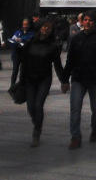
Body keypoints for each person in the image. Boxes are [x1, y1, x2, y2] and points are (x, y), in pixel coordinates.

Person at [64, 13, 96, 148]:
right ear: (82, 21)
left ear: (95, 23)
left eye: (90, 20)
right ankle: (75, 136)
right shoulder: (76, 39)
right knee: (75, 107)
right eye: (85, 20)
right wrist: (64, 80)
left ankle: (95, 127)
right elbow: (70, 60)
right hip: (78, 78)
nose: (87, 22)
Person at [21, 19, 68, 147]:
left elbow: (58, 65)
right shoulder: (30, 43)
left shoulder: (53, 46)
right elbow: (23, 63)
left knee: (38, 104)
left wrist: (64, 81)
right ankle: (37, 123)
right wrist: (21, 81)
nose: (46, 29)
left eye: (49, 28)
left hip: (44, 79)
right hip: (30, 78)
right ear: (40, 27)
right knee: (30, 107)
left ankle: (36, 132)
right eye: (44, 27)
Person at [7, 18, 34, 87]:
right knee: (15, 70)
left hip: (25, 54)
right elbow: (12, 41)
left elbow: (30, 41)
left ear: (29, 25)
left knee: (23, 71)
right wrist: (15, 42)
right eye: (23, 24)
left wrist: (22, 40)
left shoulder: (31, 33)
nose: (25, 26)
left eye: (26, 25)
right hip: (16, 53)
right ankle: (12, 85)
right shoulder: (18, 32)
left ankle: (22, 85)